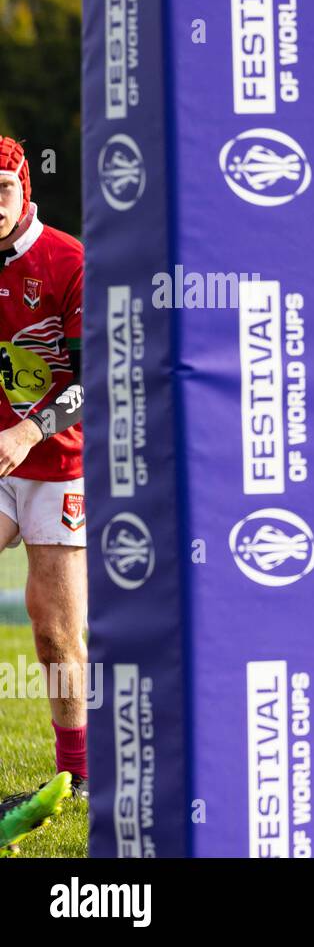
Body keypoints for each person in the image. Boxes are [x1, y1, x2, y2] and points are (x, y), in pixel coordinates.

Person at [0, 136, 88, 797]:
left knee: (55, 637)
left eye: (1, 192)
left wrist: (30, 430)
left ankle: (81, 776)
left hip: (60, 463)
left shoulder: (67, 260)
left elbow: (98, 380)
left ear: (25, 190)